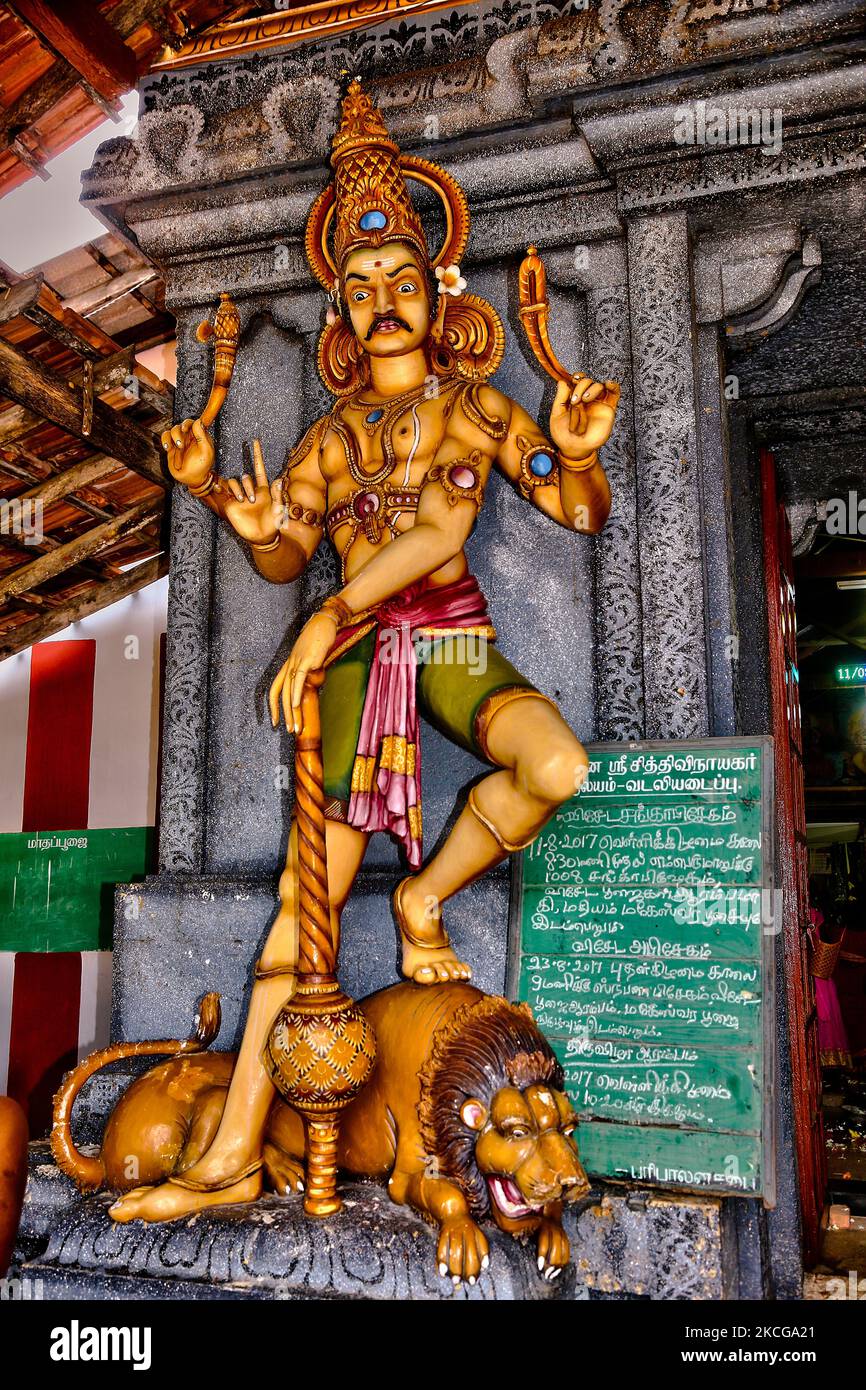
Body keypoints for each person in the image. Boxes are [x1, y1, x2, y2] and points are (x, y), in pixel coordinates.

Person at [110, 82, 619, 1223]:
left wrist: (579, 453)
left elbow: (538, 517)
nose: (383, 303)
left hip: (447, 646)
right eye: (362, 288)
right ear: (339, 309)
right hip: (351, 674)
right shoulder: (334, 436)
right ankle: (234, 1145)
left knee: (556, 767)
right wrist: (227, 507)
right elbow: (290, 553)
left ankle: (427, 902)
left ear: (437, 295)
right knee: (303, 916)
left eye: (402, 283)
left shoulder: (472, 410)